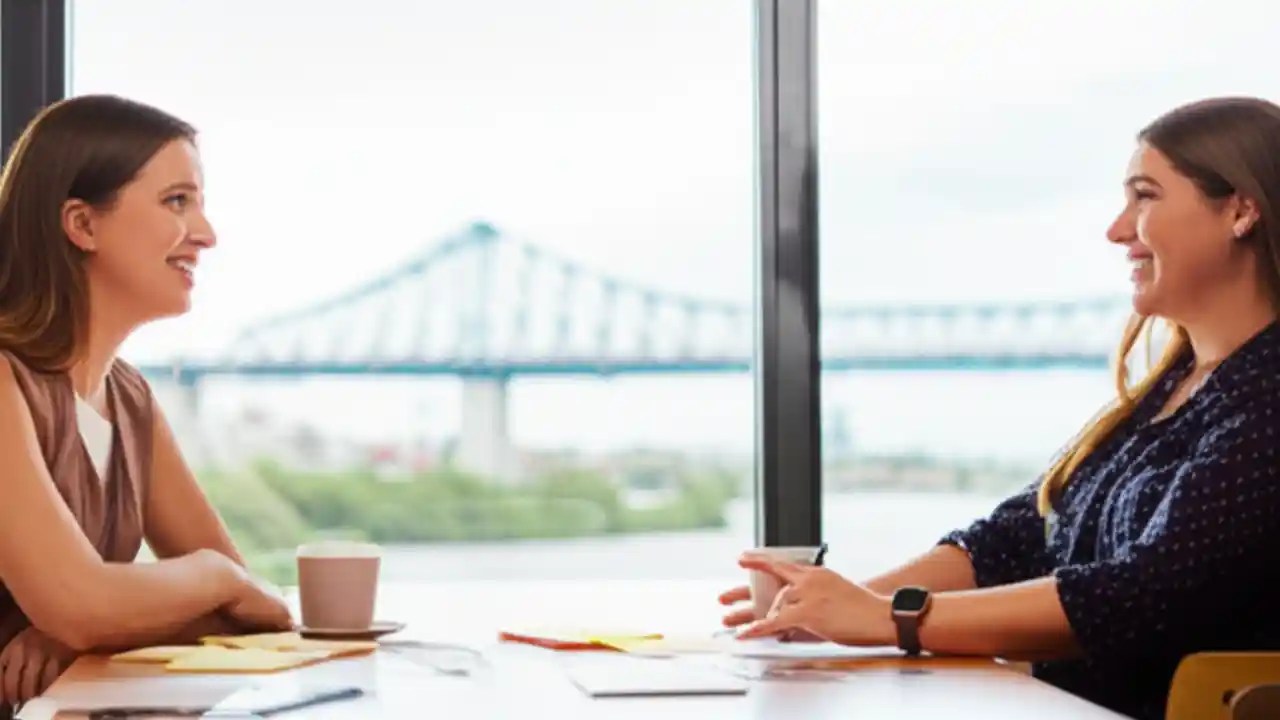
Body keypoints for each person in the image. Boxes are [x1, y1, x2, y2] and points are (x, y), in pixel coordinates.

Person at [720, 95, 1280, 720]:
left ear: (1240, 209)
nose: (1117, 230)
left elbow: (1139, 596)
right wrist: (825, 609)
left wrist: (887, 619)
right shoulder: (1172, 387)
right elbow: (1014, 538)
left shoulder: (1267, 401)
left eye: (1145, 197)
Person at [0, 95, 295, 713]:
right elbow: (216, 589)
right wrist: (211, 575)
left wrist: (94, 626)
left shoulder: (130, 400)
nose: (207, 235)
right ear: (82, 225)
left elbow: (250, 618)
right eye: (176, 201)